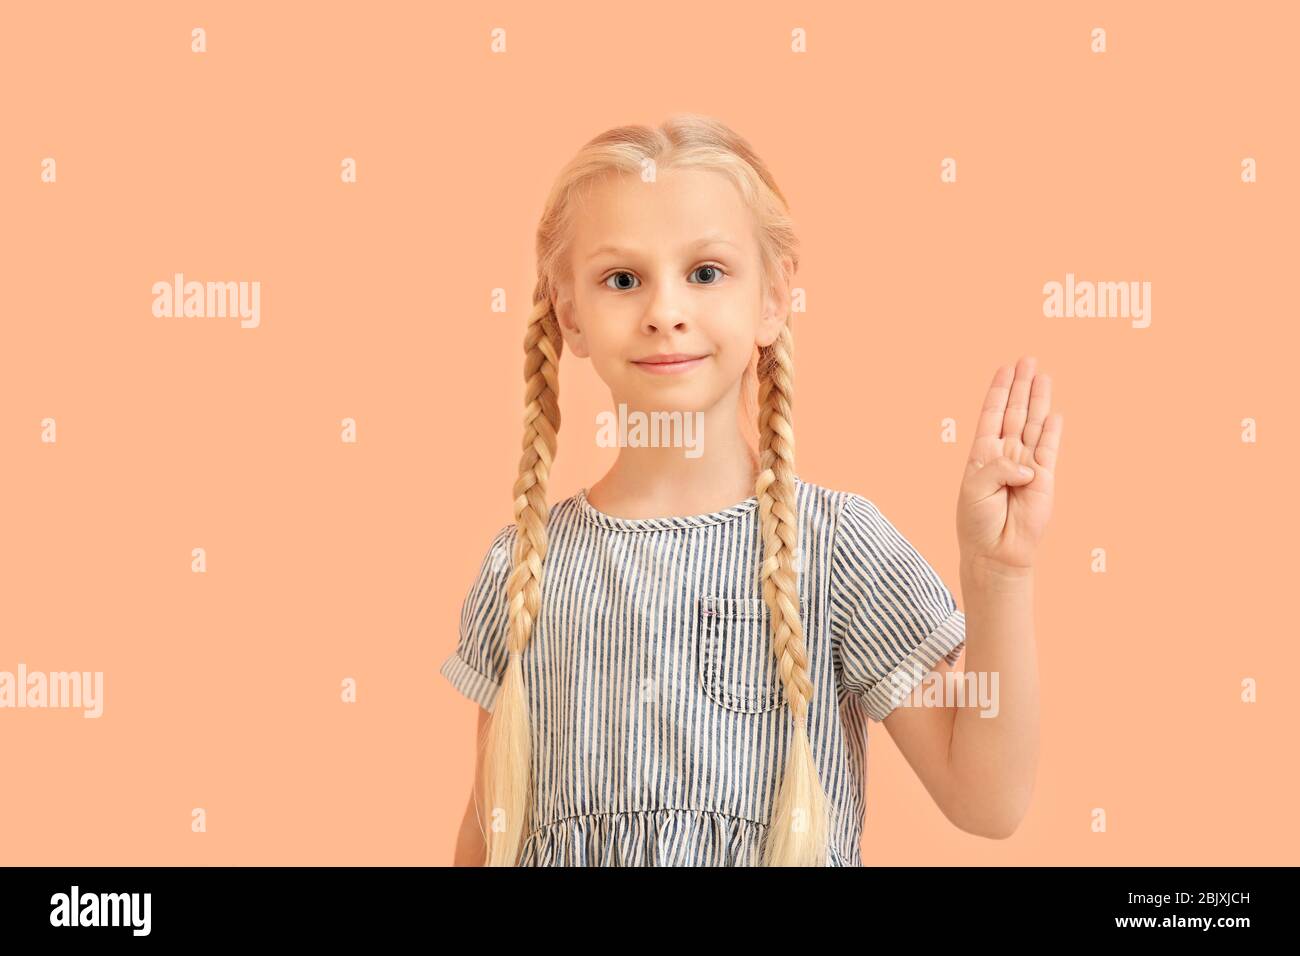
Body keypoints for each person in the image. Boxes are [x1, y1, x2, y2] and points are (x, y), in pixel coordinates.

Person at [441, 114, 1063, 866]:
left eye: (706, 273)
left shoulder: (839, 549)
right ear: (569, 312)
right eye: (622, 279)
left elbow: (987, 800)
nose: (665, 312)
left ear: (773, 298)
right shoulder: (523, 572)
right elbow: (488, 834)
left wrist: (998, 575)